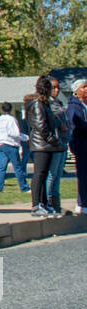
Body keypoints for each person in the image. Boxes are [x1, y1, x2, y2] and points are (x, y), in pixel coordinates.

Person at [24, 76, 63, 217]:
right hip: (41, 145)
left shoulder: (44, 103)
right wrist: (53, 141)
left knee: (44, 175)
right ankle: (36, 205)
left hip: (46, 145)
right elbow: (41, 126)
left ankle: (44, 204)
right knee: (39, 175)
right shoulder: (37, 103)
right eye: (50, 88)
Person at [0, 102, 29, 194]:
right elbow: (14, 133)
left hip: (0, 144)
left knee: (2, 167)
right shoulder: (11, 119)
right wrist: (25, 137)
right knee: (17, 167)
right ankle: (24, 187)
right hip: (10, 144)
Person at [47, 79, 70, 215]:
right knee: (51, 174)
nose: (56, 90)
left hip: (62, 142)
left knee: (57, 175)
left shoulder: (58, 103)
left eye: (58, 88)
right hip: (53, 143)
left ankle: (56, 204)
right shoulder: (47, 104)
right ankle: (49, 203)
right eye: (53, 87)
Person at [66, 78, 87, 216]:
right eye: (84, 87)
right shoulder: (74, 106)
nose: (86, 90)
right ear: (76, 90)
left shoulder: (84, 105)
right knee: (84, 175)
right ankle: (82, 204)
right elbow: (74, 126)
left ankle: (82, 203)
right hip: (82, 145)